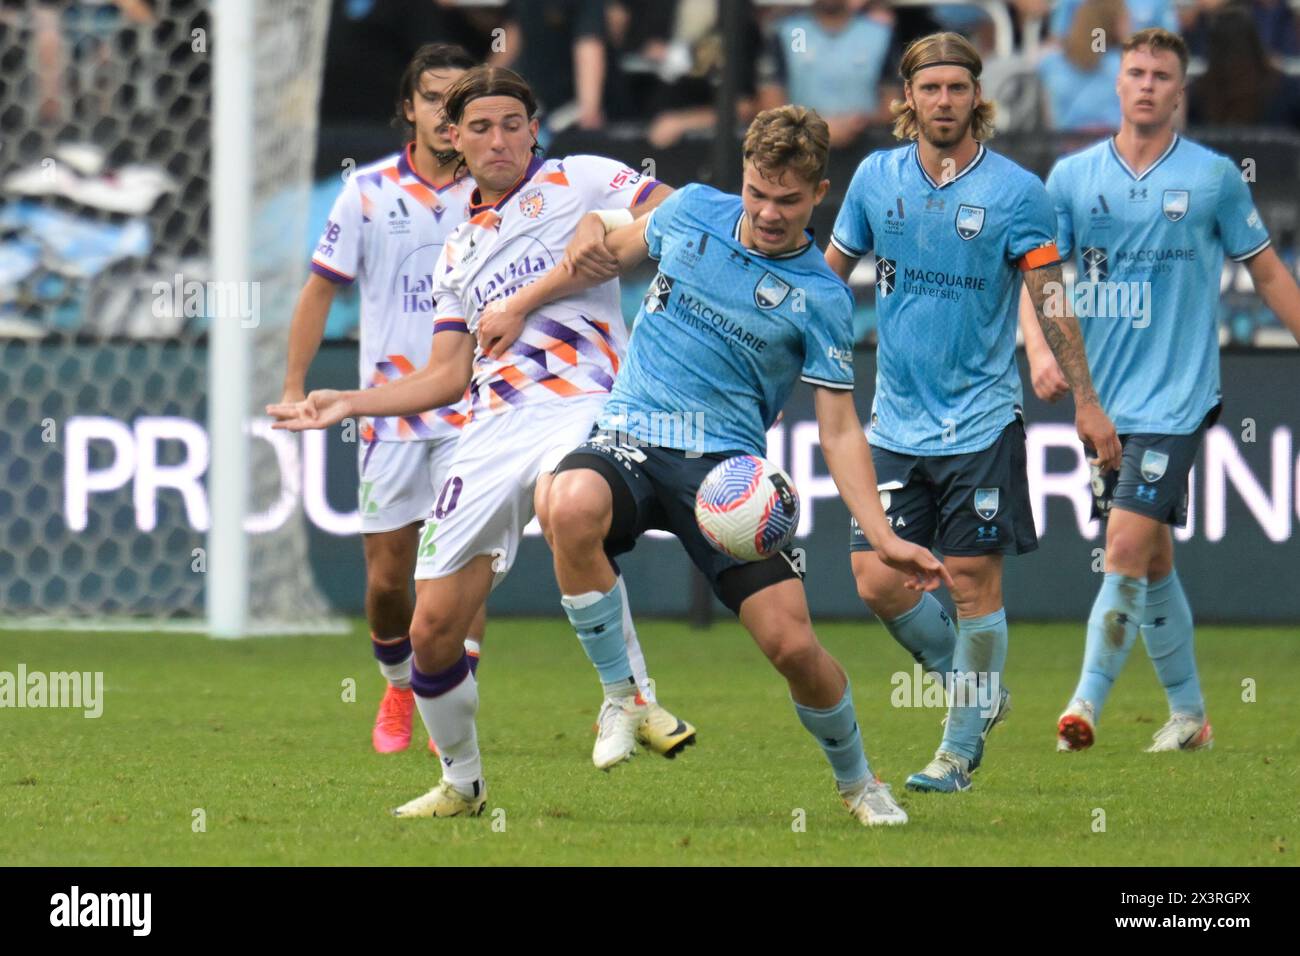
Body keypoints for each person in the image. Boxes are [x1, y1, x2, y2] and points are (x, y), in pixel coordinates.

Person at [483, 105, 954, 827]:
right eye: (758, 193)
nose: (768, 213)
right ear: (742, 178)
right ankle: (624, 697)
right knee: (567, 502)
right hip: (632, 436)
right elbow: (609, 242)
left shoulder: (823, 297)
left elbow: (837, 427)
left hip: (726, 480)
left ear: (818, 193)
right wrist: (537, 285)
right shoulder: (693, 213)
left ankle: (859, 781)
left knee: (793, 647)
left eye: (788, 201)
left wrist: (883, 536)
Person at [269, 66, 695, 818]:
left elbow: (683, 214)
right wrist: (347, 401)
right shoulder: (459, 252)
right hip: (490, 428)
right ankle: (462, 783)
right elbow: (443, 375)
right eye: (480, 128)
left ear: (535, 129)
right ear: (454, 141)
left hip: (584, 404)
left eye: (511, 124)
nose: (498, 139)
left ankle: (626, 696)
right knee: (430, 631)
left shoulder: (582, 179)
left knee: (568, 504)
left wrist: (600, 233)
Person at [824, 32, 1120, 793]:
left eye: (958, 88)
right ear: (909, 98)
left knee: (968, 583)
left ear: (975, 98)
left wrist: (1086, 401)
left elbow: (1052, 299)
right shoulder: (873, 178)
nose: (945, 101)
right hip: (892, 421)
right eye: (931, 89)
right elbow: (829, 279)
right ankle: (974, 686)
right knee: (875, 578)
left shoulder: (1018, 192)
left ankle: (957, 752)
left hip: (981, 421)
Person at [1020, 27, 1300, 753]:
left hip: (1178, 399)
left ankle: (1082, 708)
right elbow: (1038, 271)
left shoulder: (1212, 178)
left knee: (1121, 546)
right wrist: (1036, 345)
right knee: (1151, 558)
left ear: (1180, 90)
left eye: (1161, 75)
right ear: (1119, 85)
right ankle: (1191, 717)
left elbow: (1267, 271)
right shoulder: (1074, 178)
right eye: (1135, 71)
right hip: (1102, 402)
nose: (1146, 84)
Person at [281, 43, 479, 754]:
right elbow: (320, 288)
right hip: (390, 411)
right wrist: (294, 387)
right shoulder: (365, 192)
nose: (447, 115)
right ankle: (400, 685)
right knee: (390, 580)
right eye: (434, 98)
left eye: (461, 101)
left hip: (478, 409)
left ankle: (449, 698)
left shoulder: (501, 192)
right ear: (409, 108)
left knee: (462, 561)